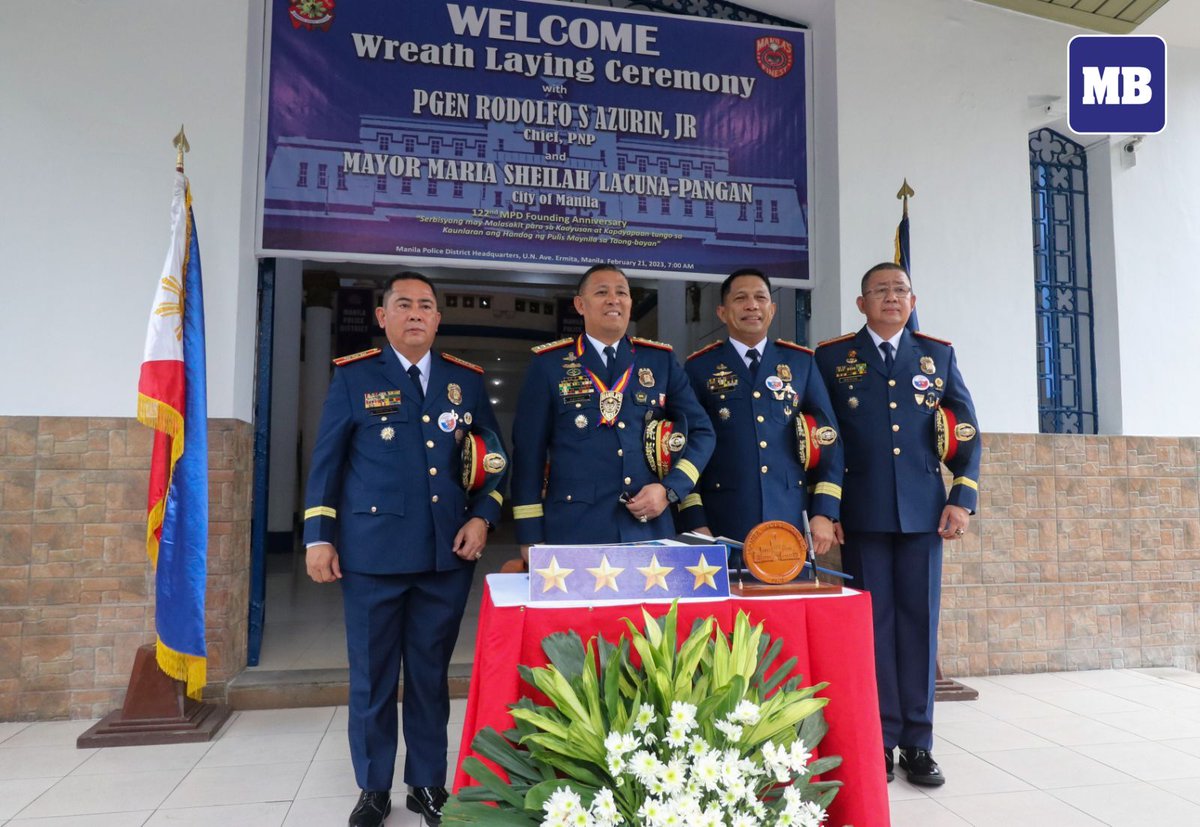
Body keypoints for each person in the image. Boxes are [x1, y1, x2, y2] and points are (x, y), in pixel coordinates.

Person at [303, 272, 506, 827]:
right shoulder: (354, 378)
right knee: (371, 677)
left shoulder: (464, 381)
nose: (416, 313)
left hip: (446, 556)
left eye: (426, 306)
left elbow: (495, 461)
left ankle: (426, 785)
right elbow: (326, 464)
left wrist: (485, 518)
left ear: (438, 319)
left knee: (427, 676)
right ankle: (372, 789)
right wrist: (319, 536)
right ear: (382, 316)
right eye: (404, 305)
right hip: (373, 556)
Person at [815, 262, 980, 789]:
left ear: (913, 301)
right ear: (860, 303)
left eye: (900, 290)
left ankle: (919, 742)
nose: (892, 297)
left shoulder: (938, 354)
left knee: (918, 624)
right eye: (880, 290)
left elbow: (967, 429)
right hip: (862, 513)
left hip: (923, 512)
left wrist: (962, 497)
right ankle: (881, 739)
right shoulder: (833, 357)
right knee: (874, 627)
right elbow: (825, 439)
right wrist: (828, 507)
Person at [511, 263, 714, 549]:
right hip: (575, 531)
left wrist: (670, 490)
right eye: (602, 292)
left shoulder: (660, 361)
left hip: (648, 531)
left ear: (630, 303)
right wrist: (530, 536)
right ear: (580, 305)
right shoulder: (549, 365)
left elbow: (702, 432)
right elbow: (528, 454)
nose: (613, 299)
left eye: (622, 292)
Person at [678, 268, 843, 556]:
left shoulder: (801, 363)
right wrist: (694, 519)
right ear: (722, 312)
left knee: (786, 599)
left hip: (791, 516)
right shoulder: (699, 367)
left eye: (760, 298)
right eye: (740, 298)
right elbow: (686, 445)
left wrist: (825, 513)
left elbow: (828, 439)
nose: (752, 305)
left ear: (772, 308)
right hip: (723, 520)